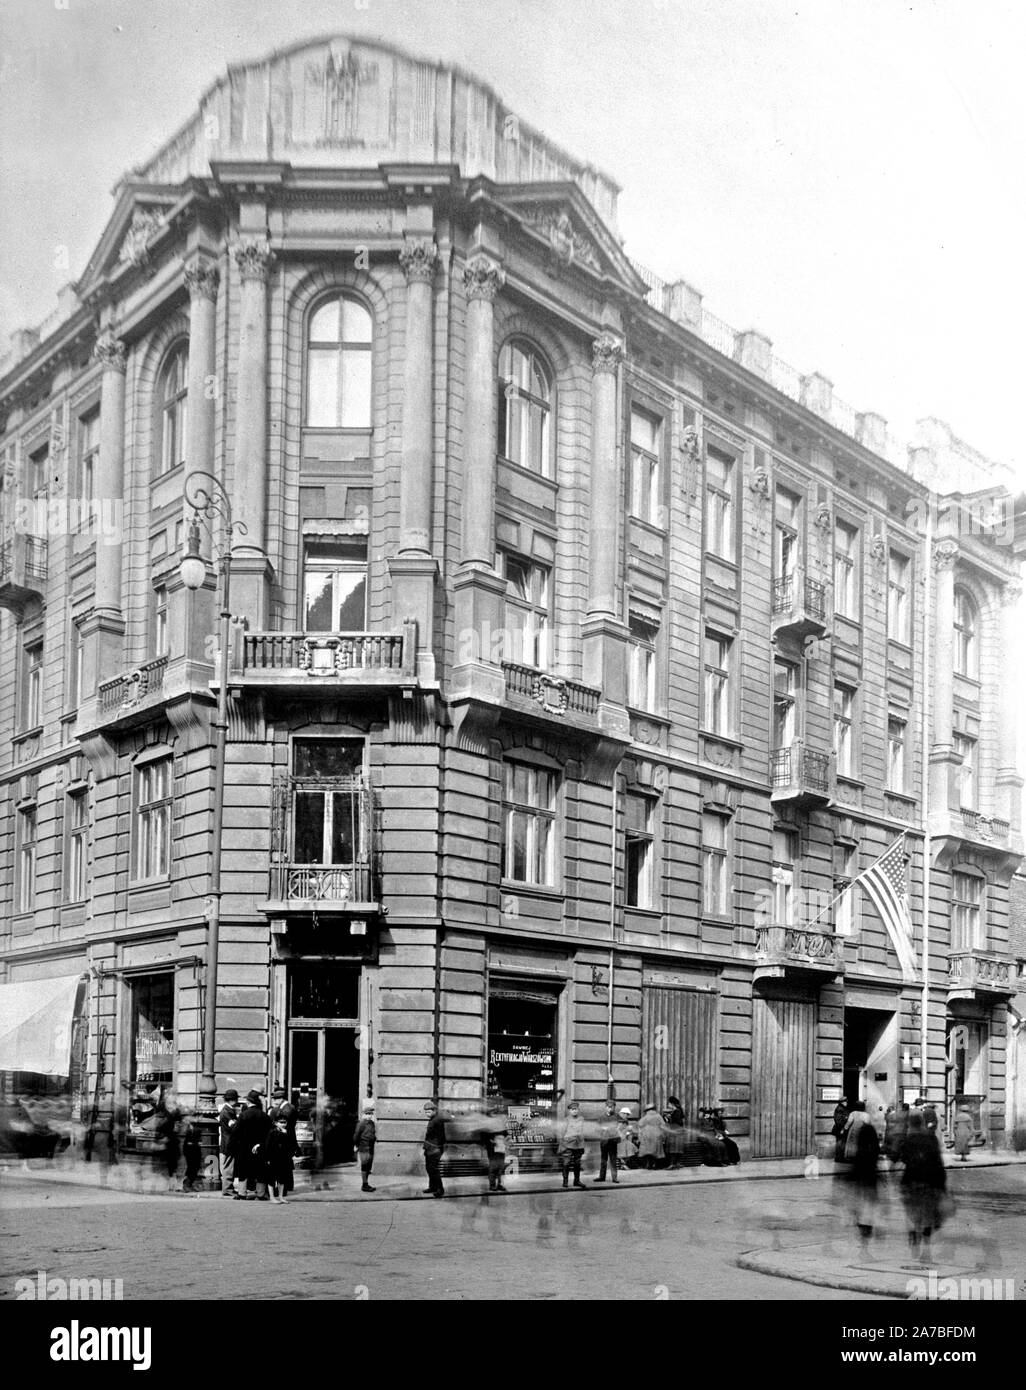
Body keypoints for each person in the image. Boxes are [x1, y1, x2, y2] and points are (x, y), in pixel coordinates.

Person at [897, 1109, 948, 1265]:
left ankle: (913, 1239)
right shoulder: (931, 1139)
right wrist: (942, 1185)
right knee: (927, 1216)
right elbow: (938, 1163)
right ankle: (926, 1251)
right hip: (928, 1182)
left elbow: (902, 1157)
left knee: (912, 1214)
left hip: (910, 1182)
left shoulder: (907, 1140)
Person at [836, 1108, 880, 1254]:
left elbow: (847, 1124)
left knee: (859, 1208)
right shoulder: (867, 1118)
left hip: (858, 1174)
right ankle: (865, 1244)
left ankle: (861, 1237)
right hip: (869, 1179)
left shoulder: (853, 1115)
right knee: (868, 1210)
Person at [230, 1090, 272, 1201]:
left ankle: (242, 1193)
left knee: (243, 1171)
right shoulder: (265, 1116)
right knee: (260, 1171)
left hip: (244, 1148)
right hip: (260, 1147)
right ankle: (261, 1194)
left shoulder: (244, 1115)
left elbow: (235, 1132)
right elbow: (269, 1134)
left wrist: (232, 1147)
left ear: (248, 1102)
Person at [262, 1114, 294, 1203]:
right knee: (271, 1178)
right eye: (281, 1122)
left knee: (282, 1179)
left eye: (285, 1122)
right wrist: (267, 1158)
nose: (283, 1124)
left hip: (283, 1158)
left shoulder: (287, 1132)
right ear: (276, 1123)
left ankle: (281, 1197)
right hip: (273, 1158)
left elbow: (289, 1145)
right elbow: (268, 1145)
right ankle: (272, 1197)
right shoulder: (272, 1132)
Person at [556, 1100, 587, 1190]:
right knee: (566, 1163)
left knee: (577, 1164)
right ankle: (565, 1181)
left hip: (579, 1145)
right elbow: (560, 1133)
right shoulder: (566, 1120)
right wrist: (562, 1144)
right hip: (568, 1145)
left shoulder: (582, 1119)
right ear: (569, 1111)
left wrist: (583, 1143)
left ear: (578, 1109)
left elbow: (584, 1131)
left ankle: (576, 1181)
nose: (574, 1111)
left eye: (576, 1109)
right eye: (573, 1109)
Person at [218, 1088, 240, 1197]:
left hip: (228, 1142)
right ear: (233, 1100)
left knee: (229, 1166)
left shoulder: (228, 1110)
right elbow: (233, 1127)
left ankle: (229, 1187)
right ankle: (227, 1189)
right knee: (228, 1167)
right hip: (229, 1143)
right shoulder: (227, 1112)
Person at [422, 1100, 446, 1197]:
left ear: (434, 1110)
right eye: (426, 1112)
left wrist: (438, 1149)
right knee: (429, 1168)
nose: (426, 1114)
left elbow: (441, 1137)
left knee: (433, 1169)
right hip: (429, 1148)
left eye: (428, 1112)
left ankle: (440, 1189)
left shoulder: (437, 1120)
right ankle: (432, 1187)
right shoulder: (433, 1119)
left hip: (435, 1149)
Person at [482, 1106, 508, 1193]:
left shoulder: (500, 1124)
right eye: (493, 1113)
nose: (495, 1115)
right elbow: (484, 1137)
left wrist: (507, 1139)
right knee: (493, 1168)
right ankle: (492, 1185)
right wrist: (491, 1142)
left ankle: (500, 1184)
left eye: (496, 1113)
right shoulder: (487, 1124)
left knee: (501, 1167)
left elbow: (506, 1134)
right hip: (492, 1149)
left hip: (501, 1148)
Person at [353, 1103, 377, 1193]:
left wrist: (375, 1138)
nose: (369, 1116)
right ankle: (364, 1184)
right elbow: (356, 1135)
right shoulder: (361, 1124)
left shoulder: (372, 1123)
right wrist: (356, 1145)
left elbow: (372, 1134)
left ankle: (366, 1183)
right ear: (363, 1114)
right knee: (365, 1165)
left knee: (368, 1166)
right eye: (367, 1114)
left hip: (370, 1147)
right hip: (363, 1147)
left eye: (370, 1114)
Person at [595, 1100, 620, 1183]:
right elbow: (596, 1129)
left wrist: (617, 1129)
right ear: (606, 1107)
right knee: (603, 1160)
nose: (610, 1108)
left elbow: (623, 1125)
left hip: (613, 1141)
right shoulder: (601, 1117)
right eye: (608, 1107)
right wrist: (602, 1129)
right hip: (604, 1141)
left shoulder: (617, 1116)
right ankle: (602, 1177)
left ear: (614, 1107)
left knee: (613, 1160)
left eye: (612, 1107)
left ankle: (614, 1178)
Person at [637, 1103, 665, 1170]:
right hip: (657, 1134)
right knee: (657, 1151)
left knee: (649, 1151)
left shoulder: (645, 1117)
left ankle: (649, 1165)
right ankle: (657, 1166)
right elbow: (663, 1125)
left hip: (647, 1135)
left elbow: (640, 1124)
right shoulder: (658, 1116)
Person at [663, 1096, 686, 1169]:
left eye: (669, 1104)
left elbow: (677, 1122)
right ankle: (675, 1164)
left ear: (672, 1104)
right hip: (676, 1132)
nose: (668, 1105)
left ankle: (673, 1164)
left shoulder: (677, 1112)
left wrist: (669, 1118)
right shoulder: (677, 1111)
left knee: (673, 1148)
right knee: (676, 1148)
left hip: (675, 1132)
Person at [831, 1097, 849, 1162]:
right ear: (842, 1102)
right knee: (840, 1143)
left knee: (842, 1143)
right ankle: (839, 1158)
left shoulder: (842, 1108)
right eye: (845, 1101)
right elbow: (838, 1120)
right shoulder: (840, 1109)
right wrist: (842, 1129)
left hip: (841, 1128)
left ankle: (840, 1157)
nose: (847, 1103)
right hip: (840, 1129)